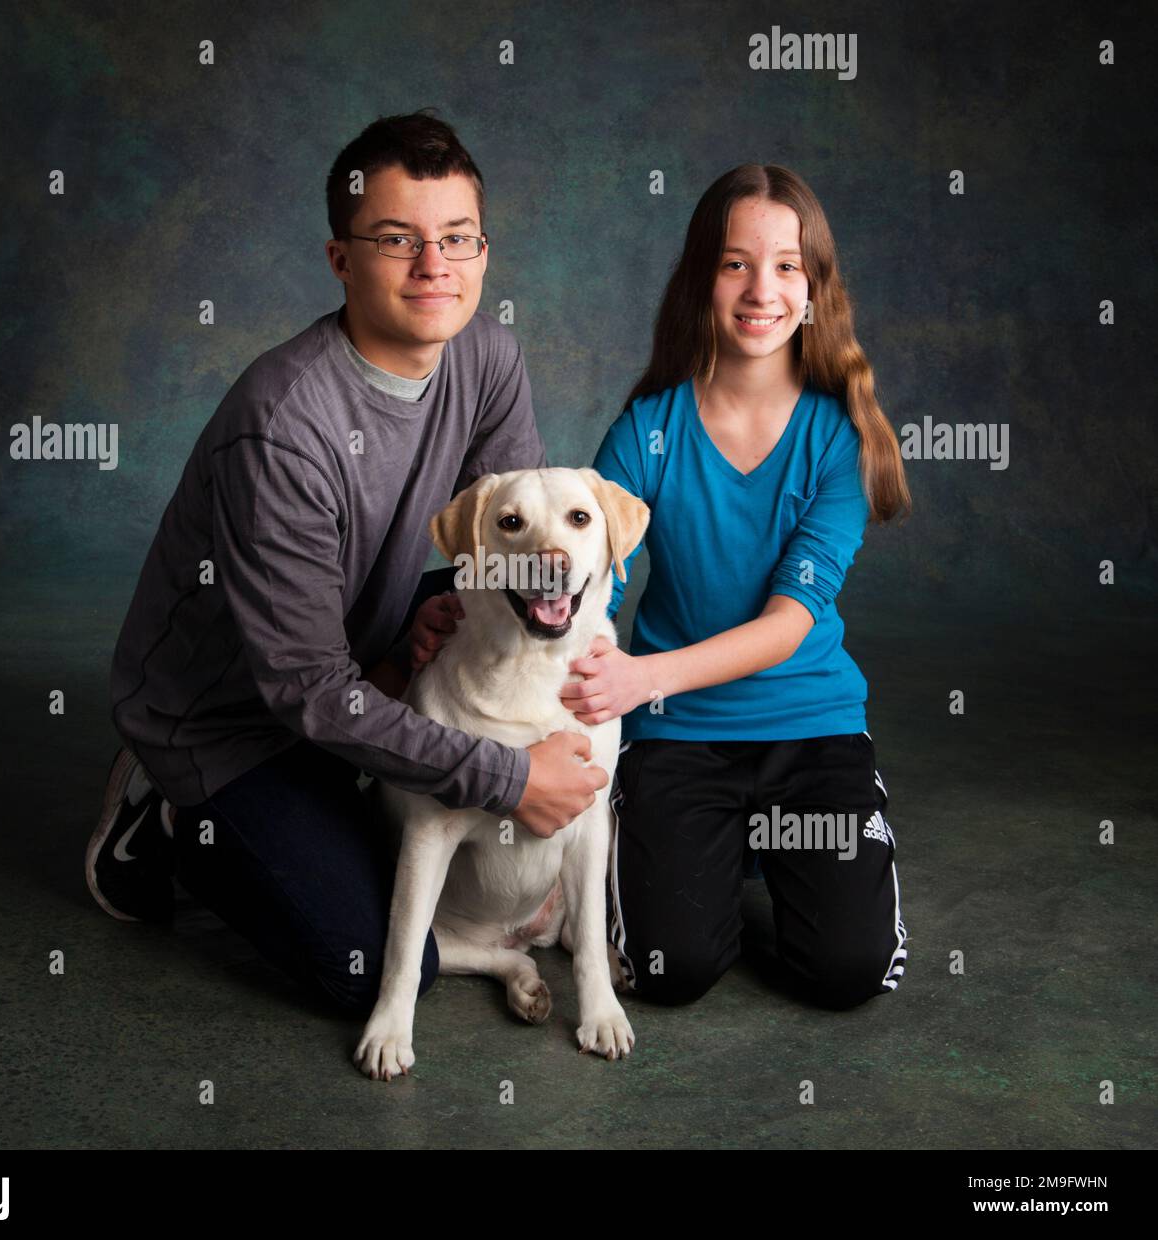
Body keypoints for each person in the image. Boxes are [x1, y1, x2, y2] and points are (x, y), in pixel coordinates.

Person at [87, 110, 607, 1016]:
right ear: (341, 259)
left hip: (368, 672)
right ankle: (160, 808)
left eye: (456, 238)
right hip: (231, 723)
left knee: (423, 855)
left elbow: (503, 548)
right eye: (396, 239)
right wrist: (510, 780)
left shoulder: (489, 358)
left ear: (483, 251)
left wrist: (530, 637)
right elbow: (306, 692)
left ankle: (338, 792)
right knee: (371, 965)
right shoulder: (283, 426)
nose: (433, 265)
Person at [560, 164, 912, 1010]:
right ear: (700, 282)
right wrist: (566, 662)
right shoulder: (647, 433)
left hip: (810, 729)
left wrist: (643, 676)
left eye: (788, 265)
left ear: (815, 291)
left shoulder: (838, 440)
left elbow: (787, 625)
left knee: (848, 973)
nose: (762, 289)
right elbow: (591, 592)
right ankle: (716, 843)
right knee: (667, 972)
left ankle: (787, 848)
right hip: (681, 739)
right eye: (734, 263)